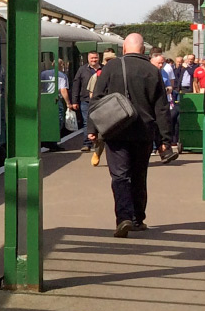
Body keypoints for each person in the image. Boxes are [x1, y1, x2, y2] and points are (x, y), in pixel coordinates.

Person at [91, 33, 172, 236]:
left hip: (115, 130)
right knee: (138, 176)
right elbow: (161, 108)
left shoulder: (111, 67)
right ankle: (137, 219)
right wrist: (164, 139)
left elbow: (97, 100)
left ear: (124, 49)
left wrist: (92, 130)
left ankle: (123, 217)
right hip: (143, 132)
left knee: (120, 176)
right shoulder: (153, 71)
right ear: (143, 50)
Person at [69, 51, 101, 153]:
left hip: (101, 101)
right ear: (88, 59)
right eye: (92, 58)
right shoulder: (82, 70)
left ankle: (100, 143)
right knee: (87, 122)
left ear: (98, 58)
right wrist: (74, 101)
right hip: (86, 100)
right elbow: (76, 85)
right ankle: (87, 144)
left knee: (101, 122)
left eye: (95, 58)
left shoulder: (104, 69)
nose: (94, 60)